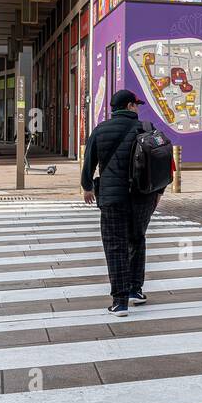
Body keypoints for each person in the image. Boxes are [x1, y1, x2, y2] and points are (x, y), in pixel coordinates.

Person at [81, 89, 163, 317]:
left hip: (112, 198)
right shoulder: (147, 129)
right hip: (142, 197)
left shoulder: (100, 130)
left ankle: (119, 302)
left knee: (115, 245)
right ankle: (135, 290)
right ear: (129, 106)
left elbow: (89, 162)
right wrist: (159, 192)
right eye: (136, 104)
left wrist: (87, 187)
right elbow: (162, 160)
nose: (137, 108)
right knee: (137, 240)